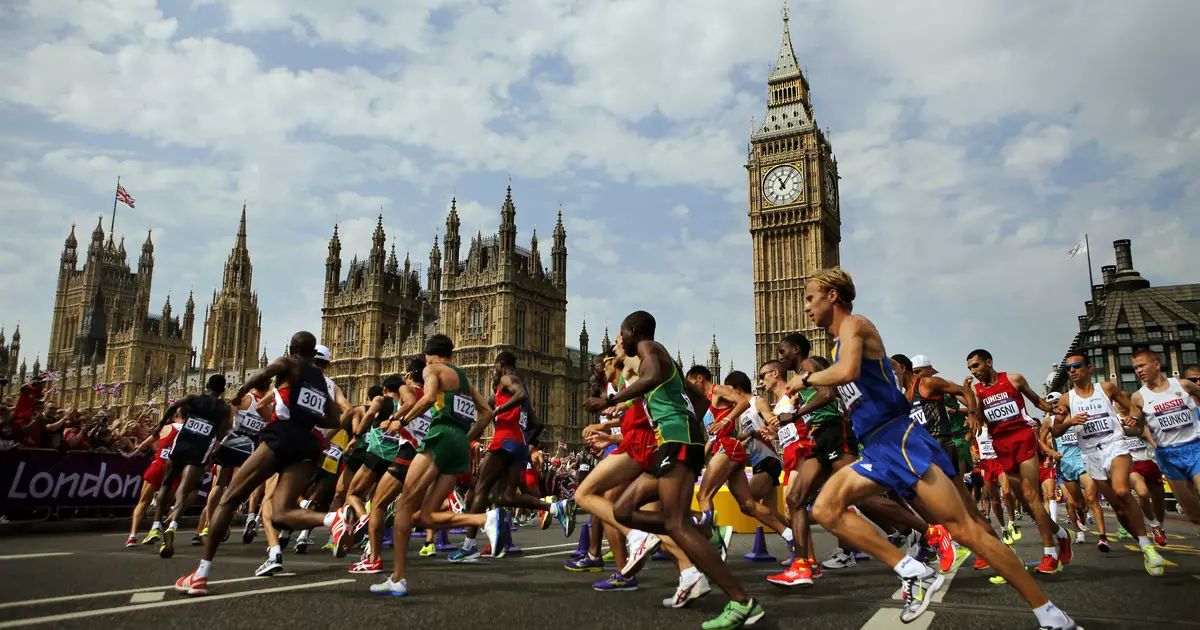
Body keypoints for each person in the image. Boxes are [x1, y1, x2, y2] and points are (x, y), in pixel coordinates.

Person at [791, 267, 1076, 629]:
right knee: (826, 509)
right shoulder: (837, 344)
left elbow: (846, 372)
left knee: (967, 531)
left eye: (810, 297)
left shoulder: (854, 325)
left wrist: (806, 378)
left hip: (898, 439)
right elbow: (846, 384)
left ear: (833, 296)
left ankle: (1051, 616)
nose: (805, 307)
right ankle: (913, 571)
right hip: (876, 447)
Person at [586, 311, 763, 630]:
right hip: (674, 439)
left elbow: (651, 377)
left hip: (676, 440)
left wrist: (612, 403)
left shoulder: (650, 349)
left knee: (674, 523)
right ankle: (698, 528)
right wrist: (689, 425)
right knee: (624, 510)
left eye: (620, 335)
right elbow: (699, 400)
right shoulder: (664, 358)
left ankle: (742, 601)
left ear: (632, 332)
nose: (618, 341)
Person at [173, 332, 352, 596]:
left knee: (230, 497)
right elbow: (333, 420)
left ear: (293, 349)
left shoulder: (289, 363)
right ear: (314, 352)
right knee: (280, 512)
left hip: (282, 436)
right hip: (308, 445)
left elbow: (263, 375)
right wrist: (308, 413)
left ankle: (201, 573)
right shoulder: (320, 381)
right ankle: (332, 518)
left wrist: (243, 390)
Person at [369, 334, 501, 597]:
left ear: (430, 354)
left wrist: (401, 420)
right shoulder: (463, 378)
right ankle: (484, 518)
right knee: (426, 515)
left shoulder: (432, 369)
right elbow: (487, 413)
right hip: (459, 445)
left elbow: (428, 398)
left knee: (405, 505)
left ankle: (398, 578)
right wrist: (466, 438)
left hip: (440, 436)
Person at [1052, 352, 1166, 575]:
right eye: (1068, 368)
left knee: (1122, 490)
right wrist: (1069, 422)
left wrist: (1134, 417)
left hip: (1114, 445)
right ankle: (1144, 543)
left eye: (1076, 366)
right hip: (1091, 454)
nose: (1072, 371)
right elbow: (1056, 429)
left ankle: (1148, 545)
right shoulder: (1067, 399)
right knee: (1119, 508)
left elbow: (1132, 408)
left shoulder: (1106, 388)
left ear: (1089, 368)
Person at [449, 351, 569, 563]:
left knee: (481, 489)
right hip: (520, 445)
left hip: (504, 441)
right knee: (507, 496)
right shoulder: (523, 388)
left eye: (495, 366)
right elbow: (537, 423)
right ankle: (554, 507)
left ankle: (469, 544)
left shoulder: (507, 379)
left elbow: (519, 394)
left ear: (501, 364)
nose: (494, 370)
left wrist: (499, 410)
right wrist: (527, 441)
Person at [966, 349, 1073, 574]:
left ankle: (1049, 554)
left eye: (976, 366)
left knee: (1032, 495)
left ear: (989, 362)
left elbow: (1039, 402)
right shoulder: (976, 392)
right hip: (1001, 445)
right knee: (1024, 502)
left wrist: (1056, 410)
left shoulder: (1013, 379)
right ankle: (1061, 534)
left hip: (1022, 438)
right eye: (970, 369)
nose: (974, 372)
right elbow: (978, 415)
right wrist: (972, 412)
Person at [152, 375, 233, 560]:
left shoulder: (194, 399)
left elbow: (174, 406)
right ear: (223, 389)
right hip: (200, 450)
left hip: (182, 444)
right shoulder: (224, 407)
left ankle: (156, 525)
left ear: (207, 385)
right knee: (184, 491)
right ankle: (173, 526)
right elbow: (222, 433)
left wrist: (160, 424)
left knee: (166, 484)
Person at [1132, 350, 1200, 525]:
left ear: (1156, 364)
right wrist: (1128, 427)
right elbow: (1137, 430)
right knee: (1192, 514)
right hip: (1168, 455)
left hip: (1195, 447)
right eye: (1135, 368)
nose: (1138, 371)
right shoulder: (1138, 397)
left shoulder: (1183, 385)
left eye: (1141, 366)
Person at [128, 415, 182, 547]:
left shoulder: (164, 428)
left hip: (159, 465)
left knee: (142, 502)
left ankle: (133, 536)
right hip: (175, 468)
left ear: (176, 417)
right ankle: (159, 528)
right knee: (169, 504)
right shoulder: (191, 431)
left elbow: (143, 446)